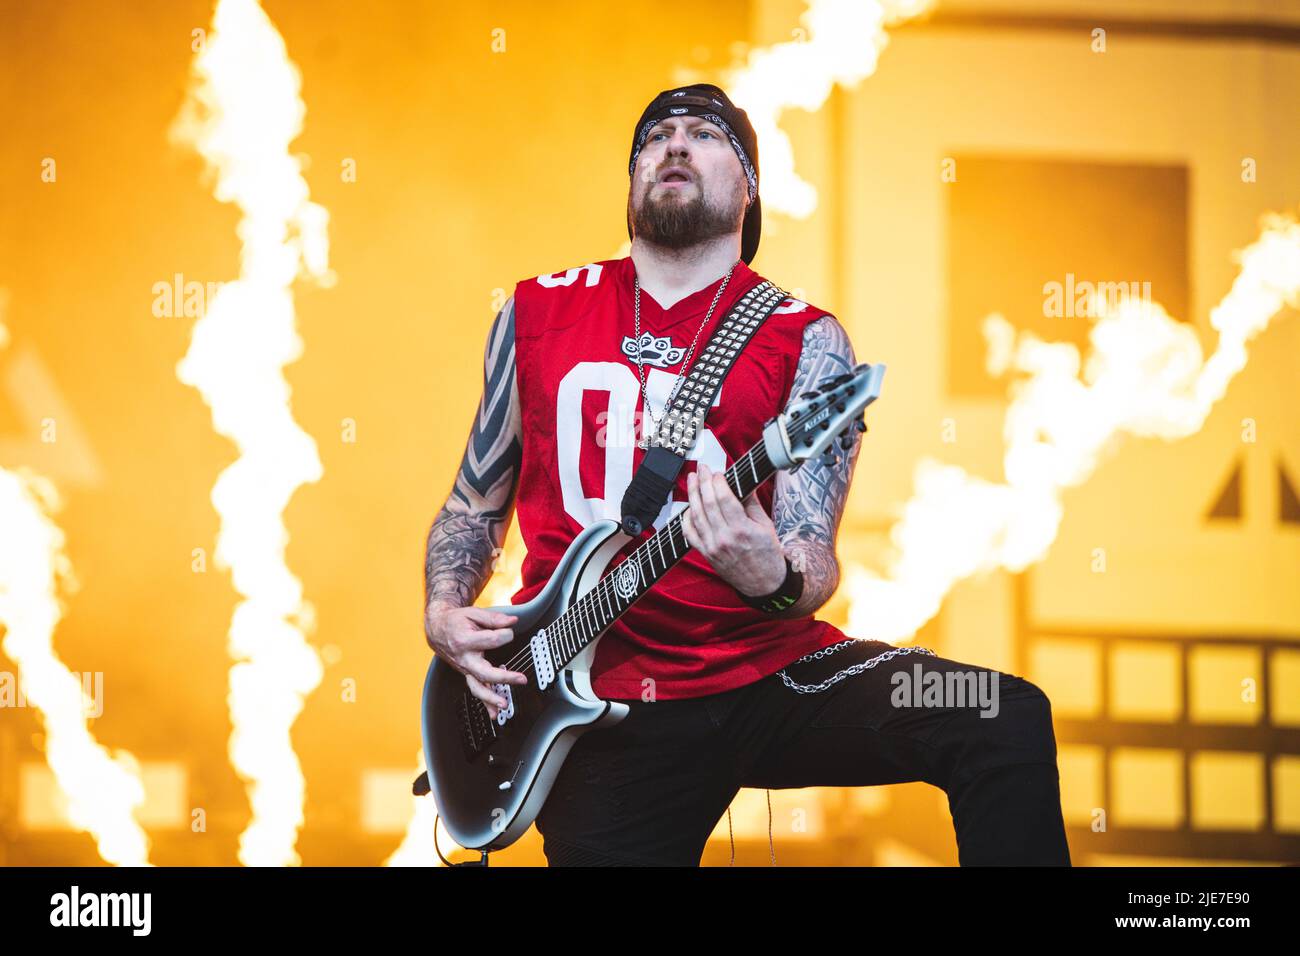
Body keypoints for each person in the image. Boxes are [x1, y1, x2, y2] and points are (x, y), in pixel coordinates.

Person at [423, 83, 1071, 867]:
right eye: (655, 136)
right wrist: (445, 611)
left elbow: (810, 555)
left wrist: (772, 576)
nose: (673, 144)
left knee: (1000, 714)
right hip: (591, 704)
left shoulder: (804, 339)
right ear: (631, 183)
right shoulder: (534, 312)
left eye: (703, 134)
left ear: (750, 184)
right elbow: (472, 505)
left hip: (764, 677)